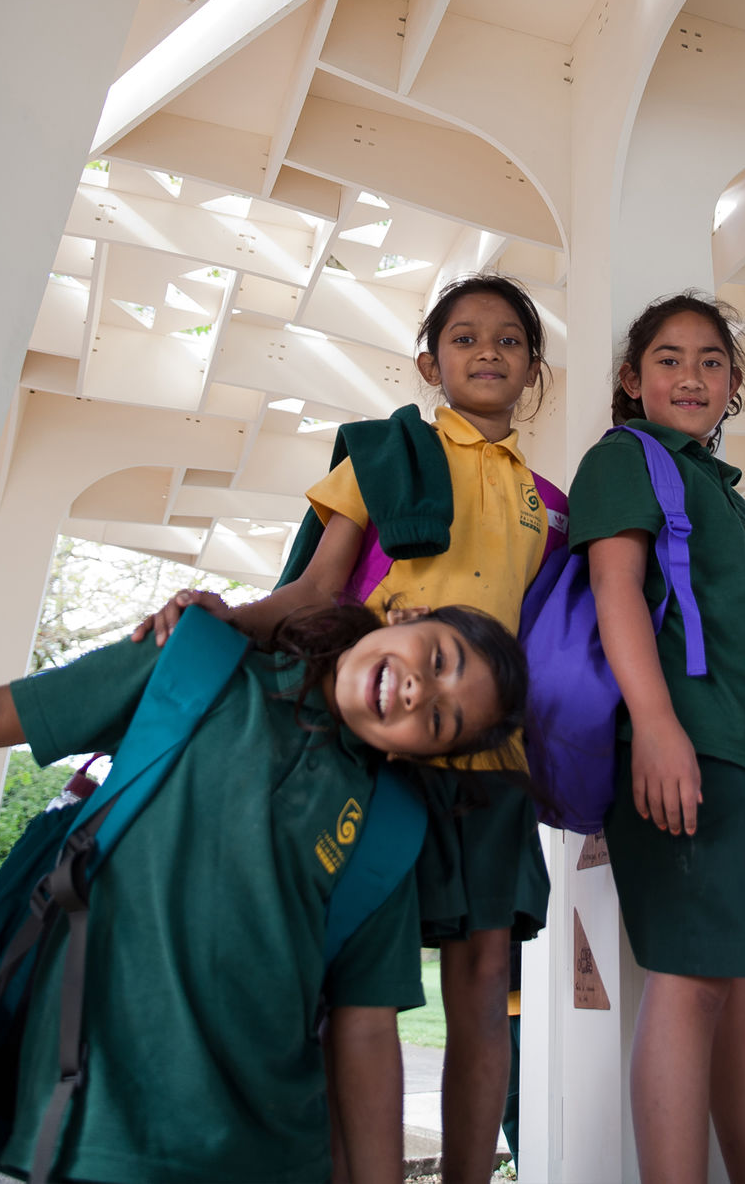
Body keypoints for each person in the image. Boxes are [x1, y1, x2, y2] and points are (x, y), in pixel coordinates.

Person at [134, 273, 564, 1184]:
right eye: (464, 337)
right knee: (346, 978)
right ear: (429, 361)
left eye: (509, 340)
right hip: (377, 747)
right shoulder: (381, 455)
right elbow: (317, 592)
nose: (487, 351)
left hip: (492, 762)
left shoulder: (551, 503)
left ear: (533, 369)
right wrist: (218, 616)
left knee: (485, 987)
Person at [0, 600, 527, 1184]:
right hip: (92, 1124)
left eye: (440, 722)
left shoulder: (389, 828)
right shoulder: (193, 661)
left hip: (269, 1155)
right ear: (410, 615)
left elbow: (366, 1030)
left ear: (411, 752)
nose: (423, 691)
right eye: (443, 660)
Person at [566, 293, 745, 1184]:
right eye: (669, 359)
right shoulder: (624, 458)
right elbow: (615, 593)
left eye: (712, 361)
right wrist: (658, 728)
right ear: (633, 381)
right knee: (692, 985)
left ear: (732, 386)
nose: (691, 375)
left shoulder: (723, 492)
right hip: (690, 752)